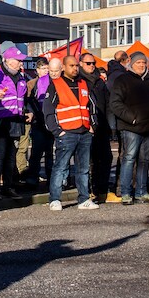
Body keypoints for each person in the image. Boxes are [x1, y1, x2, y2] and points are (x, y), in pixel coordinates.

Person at [109, 51, 149, 204]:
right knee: (129, 159)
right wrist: (132, 118)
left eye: (143, 62)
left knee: (145, 160)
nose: (141, 65)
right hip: (131, 128)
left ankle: (141, 191)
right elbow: (115, 103)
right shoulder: (123, 80)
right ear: (131, 64)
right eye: (138, 62)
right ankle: (126, 193)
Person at [43, 56, 99, 211]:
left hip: (84, 132)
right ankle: (54, 199)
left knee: (83, 169)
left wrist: (93, 125)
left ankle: (83, 199)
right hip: (66, 133)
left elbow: (92, 105)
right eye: (71, 65)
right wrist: (57, 131)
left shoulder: (83, 83)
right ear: (63, 67)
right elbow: (48, 110)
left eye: (76, 65)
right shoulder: (55, 84)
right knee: (60, 167)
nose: (75, 68)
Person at [0, 46, 28, 200]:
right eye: (18, 60)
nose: (20, 63)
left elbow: (24, 99)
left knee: (11, 157)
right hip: (1, 121)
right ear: (8, 60)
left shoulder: (21, 77)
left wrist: (27, 110)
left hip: (16, 121)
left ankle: (8, 187)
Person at [78, 53, 115, 203]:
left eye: (93, 63)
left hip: (102, 126)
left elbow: (108, 104)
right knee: (87, 161)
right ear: (81, 64)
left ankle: (102, 191)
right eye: (88, 63)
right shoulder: (79, 80)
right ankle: (89, 191)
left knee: (105, 158)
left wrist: (110, 126)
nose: (92, 65)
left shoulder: (100, 82)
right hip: (86, 127)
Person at [24, 57, 62, 188]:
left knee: (49, 152)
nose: (47, 71)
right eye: (44, 69)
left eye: (48, 68)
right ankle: (33, 177)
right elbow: (30, 101)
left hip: (49, 120)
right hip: (39, 120)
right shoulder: (35, 83)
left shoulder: (53, 82)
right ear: (38, 70)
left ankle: (50, 176)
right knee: (37, 151)